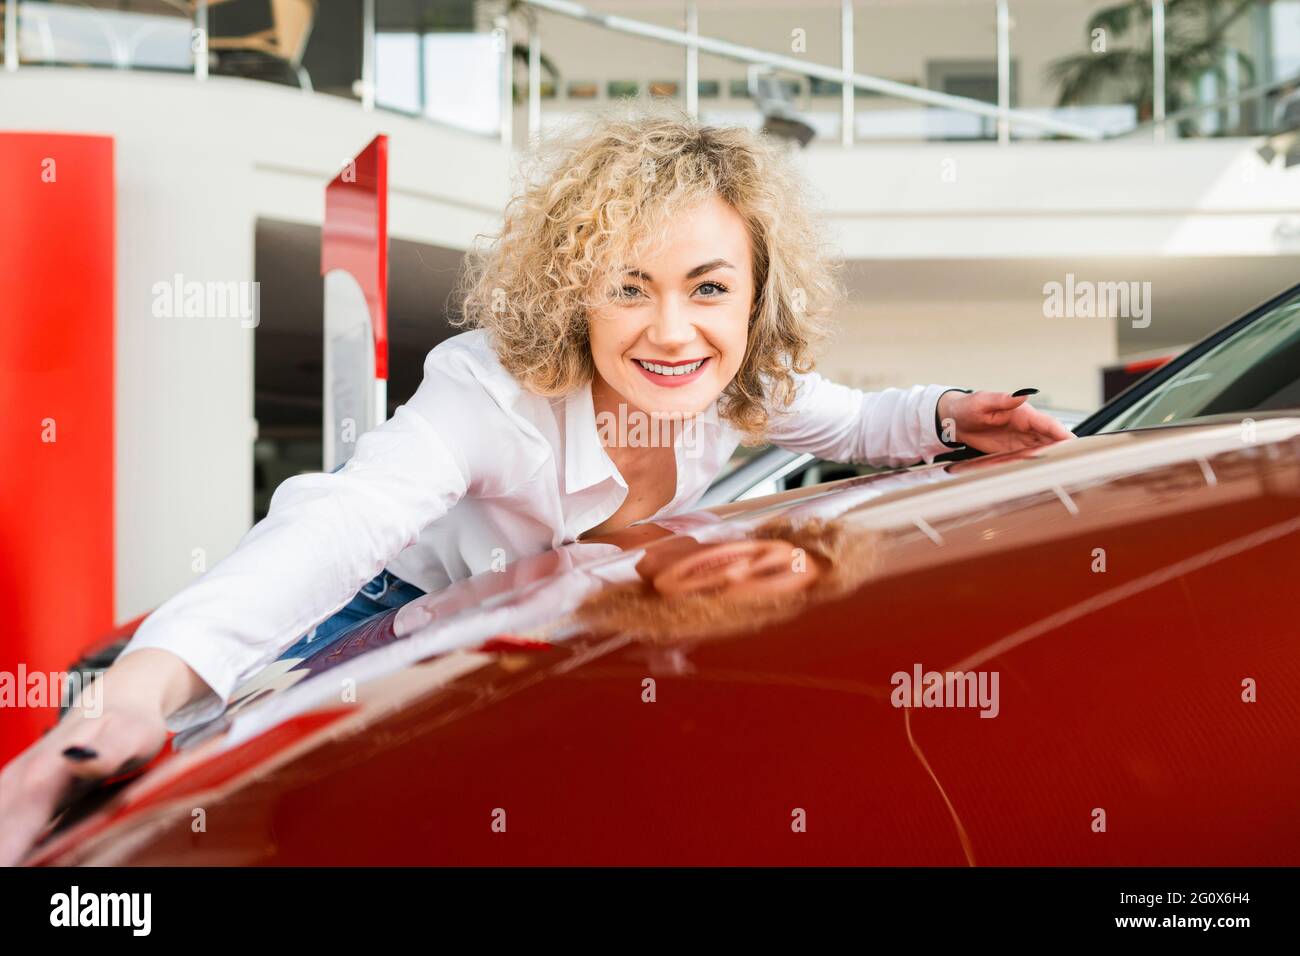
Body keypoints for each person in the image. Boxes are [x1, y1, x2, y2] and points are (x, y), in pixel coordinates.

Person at [0, 104, 1071, 866]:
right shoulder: (488, 393)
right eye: (628, 286)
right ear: (575, 293)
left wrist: (945, 415)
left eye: (708, 287)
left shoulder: (733, 375)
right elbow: (340, 528)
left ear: (751, 299)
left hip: (532, 628)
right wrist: (132, 700)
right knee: (202, 804)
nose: (670, 329)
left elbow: (848, 416)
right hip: (373, 609)